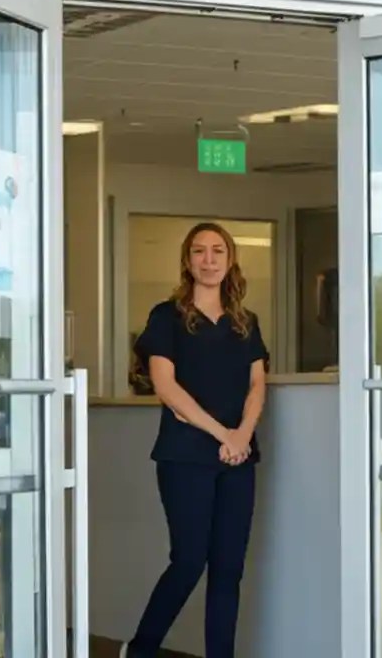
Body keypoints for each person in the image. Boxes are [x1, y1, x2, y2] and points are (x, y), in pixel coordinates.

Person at [121, 221, 269, 658]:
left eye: (218, 251)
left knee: (228, 570)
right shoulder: (166, 316)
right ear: (187, 261)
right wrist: (222, 433)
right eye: (200, 251)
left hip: (238, 458)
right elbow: (166, 387)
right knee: (189, 562)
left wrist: (242, 434)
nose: (209, 260)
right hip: (185, 456)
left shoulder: (246, 322)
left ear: (230, 260)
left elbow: (257, 385)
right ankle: (142, 649)